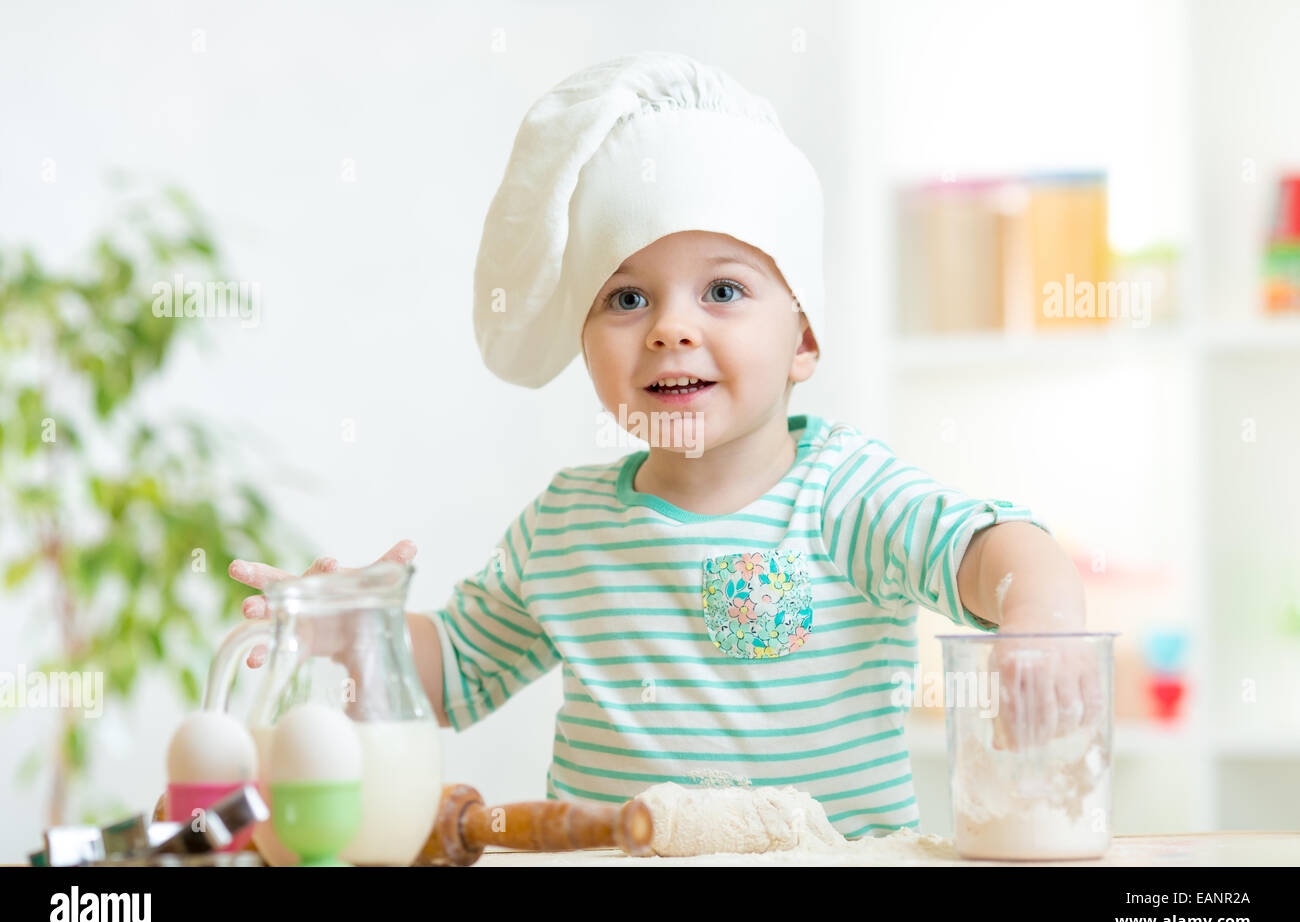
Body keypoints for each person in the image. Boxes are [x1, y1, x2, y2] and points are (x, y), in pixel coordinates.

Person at [229, 51, 1095, 839]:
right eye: (627, 299)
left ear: (804, 340)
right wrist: (354, 632)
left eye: (723, 289)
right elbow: (454, 672)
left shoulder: (850, 495)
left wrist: (1040, 622)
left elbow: (994, 545)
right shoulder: (565, 527)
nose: (671, 328)